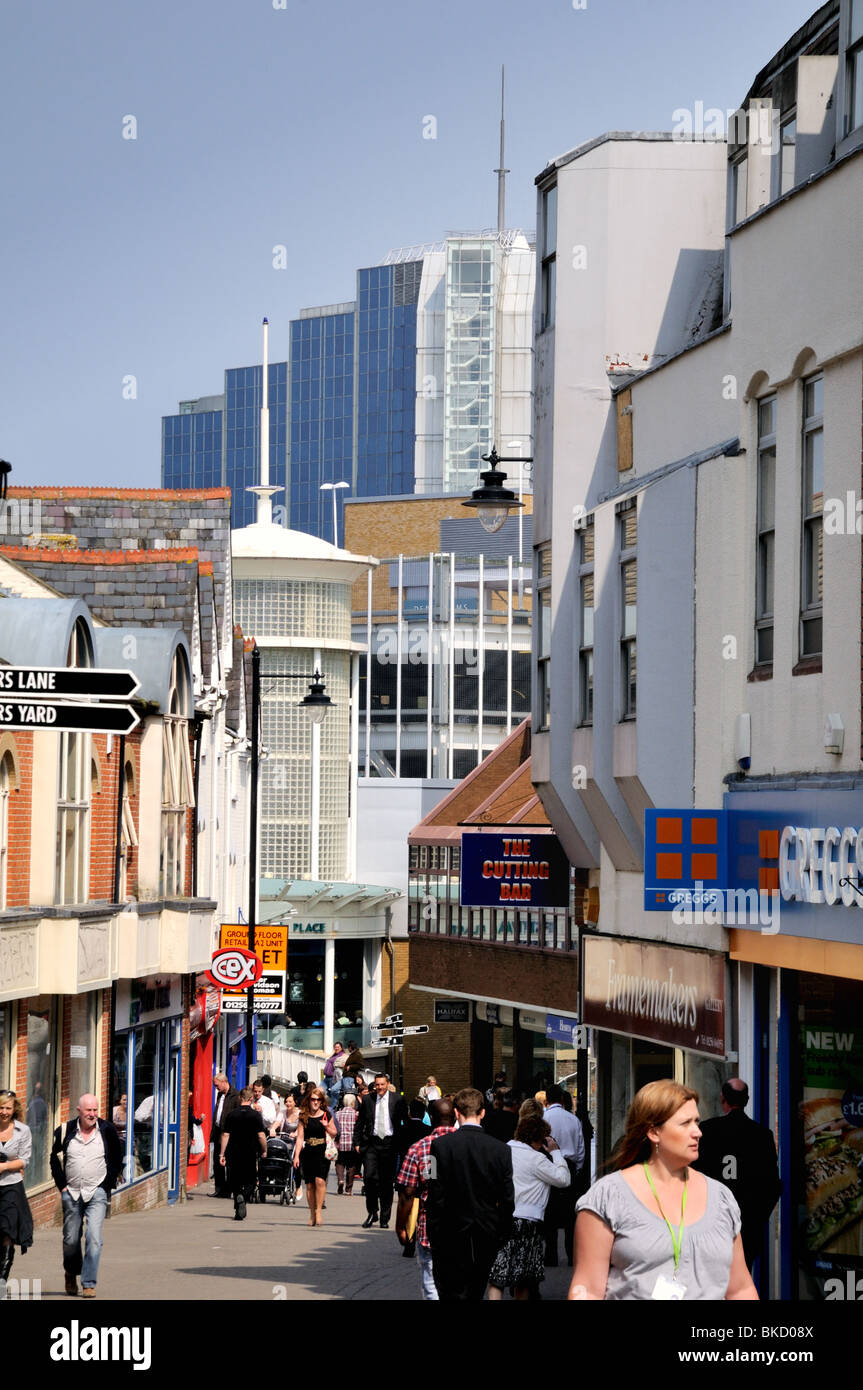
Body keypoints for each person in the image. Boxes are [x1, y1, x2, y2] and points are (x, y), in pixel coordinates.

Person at [569, 1079, 758, 1301]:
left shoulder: (722, 1198)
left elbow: (741, 1289)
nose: (697, 1132)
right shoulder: (608, 1197)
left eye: (697, 1122)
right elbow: (587, 1289)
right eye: (685, 1123)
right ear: (654, 1132)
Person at [426, 1086, 515, 1301]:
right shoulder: (501, 1150)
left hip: (450, 1229)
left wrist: (433, 1230)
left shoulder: (438, 1147)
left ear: (457, 1113)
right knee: (476, 1287)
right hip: (486, 1229)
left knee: (451, 1289)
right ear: (482, 1112)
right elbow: (507, 1197)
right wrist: (502, 1230)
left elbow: (434, 1190)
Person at [693, 1078, 781, 1270]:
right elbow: (772, 1186)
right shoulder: (762, 1135)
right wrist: (757, 1218)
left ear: (722, 1098)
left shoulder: (706, 1131)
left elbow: (692, 1176)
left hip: (711, 1224)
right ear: (747, 1100)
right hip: (747, 1227)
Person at [488, 1112, 571, 1301]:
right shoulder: (537, 1159)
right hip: (528, 1221)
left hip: (502, 1216)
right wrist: (555, 1152)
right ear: (538, 1138)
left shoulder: (503, 1150)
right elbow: (563, 1180)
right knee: (523, 1276)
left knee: (498, 1274)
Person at [50, 1093, 123, 1298]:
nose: (92, 1114)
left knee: (94, 1238)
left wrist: (106, 1185)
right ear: (79, 1111)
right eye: (88, 1110)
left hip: (96, 1192)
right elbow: (54, 1160)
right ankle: (71, 1273)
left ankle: (89, 1283)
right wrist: (62, 1186)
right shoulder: (64, 1131)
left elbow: (117, 1159)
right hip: (71, 1192)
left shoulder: (107, 1130)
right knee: (71, 1239)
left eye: (95, 1110)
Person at [396, 1097, 457, 1300]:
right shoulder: (467, 1144)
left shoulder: (420, 1148)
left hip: (430, 1225)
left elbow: (407, 1192)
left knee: (431, 1282)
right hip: (464, 1226)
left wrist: (401, 1226)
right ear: (455, 1115)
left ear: (430, 1117)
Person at [354, 1073, 408, 1230]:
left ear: (388, 1084)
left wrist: (403, 1145)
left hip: (390, 1145)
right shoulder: (367, 1100)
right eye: (377, 1084)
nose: (379, 1087)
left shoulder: (398, 1099)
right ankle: (372, 1212)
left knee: (386, 1182)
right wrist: (356, 1142)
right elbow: (360, 1123)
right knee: (370, 1179)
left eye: (382, 1084)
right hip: (371, 1143)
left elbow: (404, 1123)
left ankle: (385, 1217)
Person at [543, 1083, 585, 1266]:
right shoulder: (573, 1119)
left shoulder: (543, 1118)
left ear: (546, 1100)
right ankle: (571, 1256)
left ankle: (550, 1256)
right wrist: (577, 1168)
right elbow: (581, 1148)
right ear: (561, 1099)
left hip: (548, 1163)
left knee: (550, 1212)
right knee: (570, 1216)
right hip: (569, 1163)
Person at [0, 1089, 34, 1287]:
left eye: (7, 1108)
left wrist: (4, 1166)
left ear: (14, 1110)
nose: (3, 1111)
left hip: (11, 1186)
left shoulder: (23, 1130)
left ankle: (2, 1279)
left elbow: (25, 1160)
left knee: (7, 1231)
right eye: (1, 1107)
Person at [220, 1086, 267, 1221]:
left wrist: (221, 1154)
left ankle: (238, 1201)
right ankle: (244, 1197)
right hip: (250, 1152)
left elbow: (225, 1135)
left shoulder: (231, 1114)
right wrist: (264, 1150)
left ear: (240, 1098)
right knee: (251, 1181)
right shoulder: (255, 1115)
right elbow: (261, 1136)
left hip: (233, 1152)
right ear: (251, 1099)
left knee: (235, 1180)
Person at [293, 1087, 337, 1226]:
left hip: (322, 1150)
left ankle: (318, 1211)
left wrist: (326, 1126)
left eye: (318, 1099)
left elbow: (334, 1133)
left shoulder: (326, 1115)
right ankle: (312, 1213)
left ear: (321, 1101)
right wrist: (296, 1156)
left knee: (320, 1181)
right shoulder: (303, 1116)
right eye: (313, 1099)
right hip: (308, 1151)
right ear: (309, 1100)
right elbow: (300, 1138)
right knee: (310, 1184)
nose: (316, 1102)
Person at [211, 1071, 241, 1198]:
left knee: (228, 1162)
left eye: (217, 1085)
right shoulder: (220, 1095)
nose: (216, 1088)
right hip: (218, 1131)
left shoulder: (236, 1095)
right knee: (217, 1161)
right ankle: (220, 1189)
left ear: (224, 1082)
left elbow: (238, 1115)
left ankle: (229, 1189)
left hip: (229, 1133)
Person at [334, 1092, 359, 1195]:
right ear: (353, 1103)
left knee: (340, 1162)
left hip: (340, 1142)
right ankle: (348, 1189)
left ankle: (340, 1180)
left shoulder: (337, 1114)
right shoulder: (356, 1114)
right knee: (351, 1165)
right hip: (352, 1143)